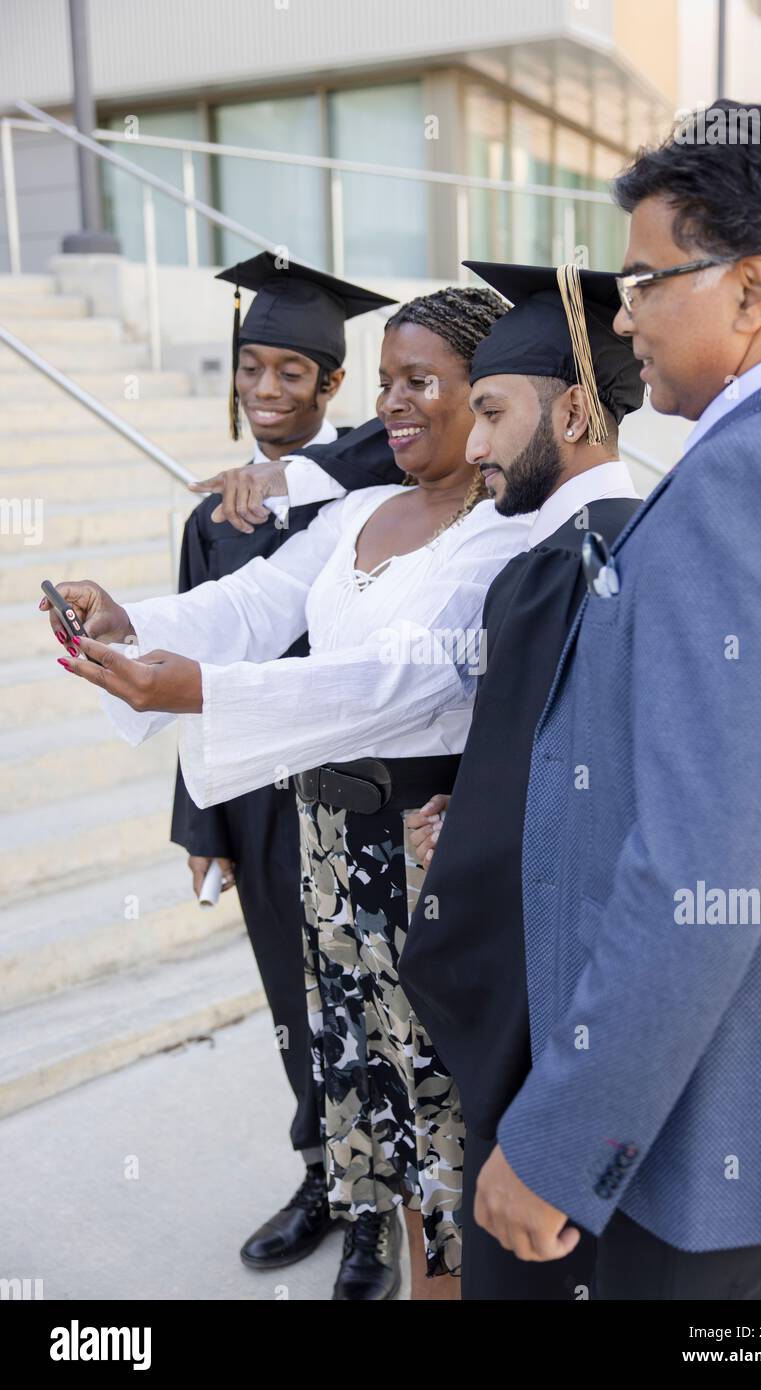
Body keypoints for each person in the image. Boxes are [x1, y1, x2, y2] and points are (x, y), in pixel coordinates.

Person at [42, 284, 533, 1301]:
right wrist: (128, 617)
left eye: (421, 382)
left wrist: (202, 688)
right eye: (388, 381)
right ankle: (383, 1254)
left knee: (440, 1120)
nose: (394, 403)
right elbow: (255, 601)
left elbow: (402, 678)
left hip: (429, 853)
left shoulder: (505, 533)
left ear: (484, 394)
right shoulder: (358, 507)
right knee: (368, 1095)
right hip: (329, 849)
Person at [468, 100, 761, 1300]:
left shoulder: (747, 478)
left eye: (648, 278)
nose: (624, 310)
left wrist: (561, 1142)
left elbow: (711, 863)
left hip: (707, 1145)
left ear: (752, 290)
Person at [398, 259, 644, 1300]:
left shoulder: (551, 569)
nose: (479, 442)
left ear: (577, 407)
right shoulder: (650, 534)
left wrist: (460, 851)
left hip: (552, 1029)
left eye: (492, 410)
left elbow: (518, 848)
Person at [168, 252, 402, 1276]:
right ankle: (322, 1175)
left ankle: (378, 1212)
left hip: (357, 795)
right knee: (292, 1007)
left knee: (370, 1008)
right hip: (262, 805)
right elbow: (193, 671)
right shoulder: (210, 521)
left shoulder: (374, 487)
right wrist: (201, 822)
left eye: (291, 373)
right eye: (251, 368)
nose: (267, 390)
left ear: (332, 385)